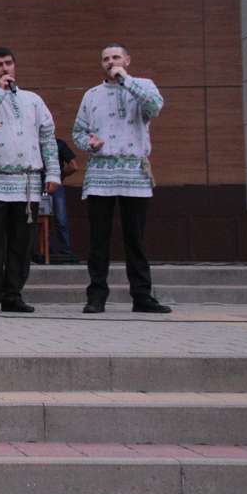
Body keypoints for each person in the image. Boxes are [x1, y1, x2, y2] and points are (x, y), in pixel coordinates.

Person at [72, 44, 170, 314]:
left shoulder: (143, 86)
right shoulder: (91, 95)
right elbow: (78, 131)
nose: (110, 62)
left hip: (133, 173)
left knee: (135, 238)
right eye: (105, 58)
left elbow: (155, 107)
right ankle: (96, 297)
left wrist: (124, 79)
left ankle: (142, 296)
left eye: (115, 57)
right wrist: (88, 142)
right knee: (98, 239)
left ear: (127, 59)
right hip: (100, 174)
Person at [0, 47, 60, 313]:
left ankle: (13, 295)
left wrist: (52, 172)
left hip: (27, 182)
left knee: (21, 244)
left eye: (8, 63)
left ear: (15, 66)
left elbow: (47, 138)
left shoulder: (33, 100)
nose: (5, 69)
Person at [48, 138, 80, 263]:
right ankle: (64, 252)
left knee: (43, 220)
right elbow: (74, 166)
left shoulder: (33, 142)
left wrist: (60, 176)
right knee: (61, 219)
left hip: (40, 183)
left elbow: (74, 166)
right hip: (55, 183)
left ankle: (47, 251)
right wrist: (59, 175)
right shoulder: (59, 143)